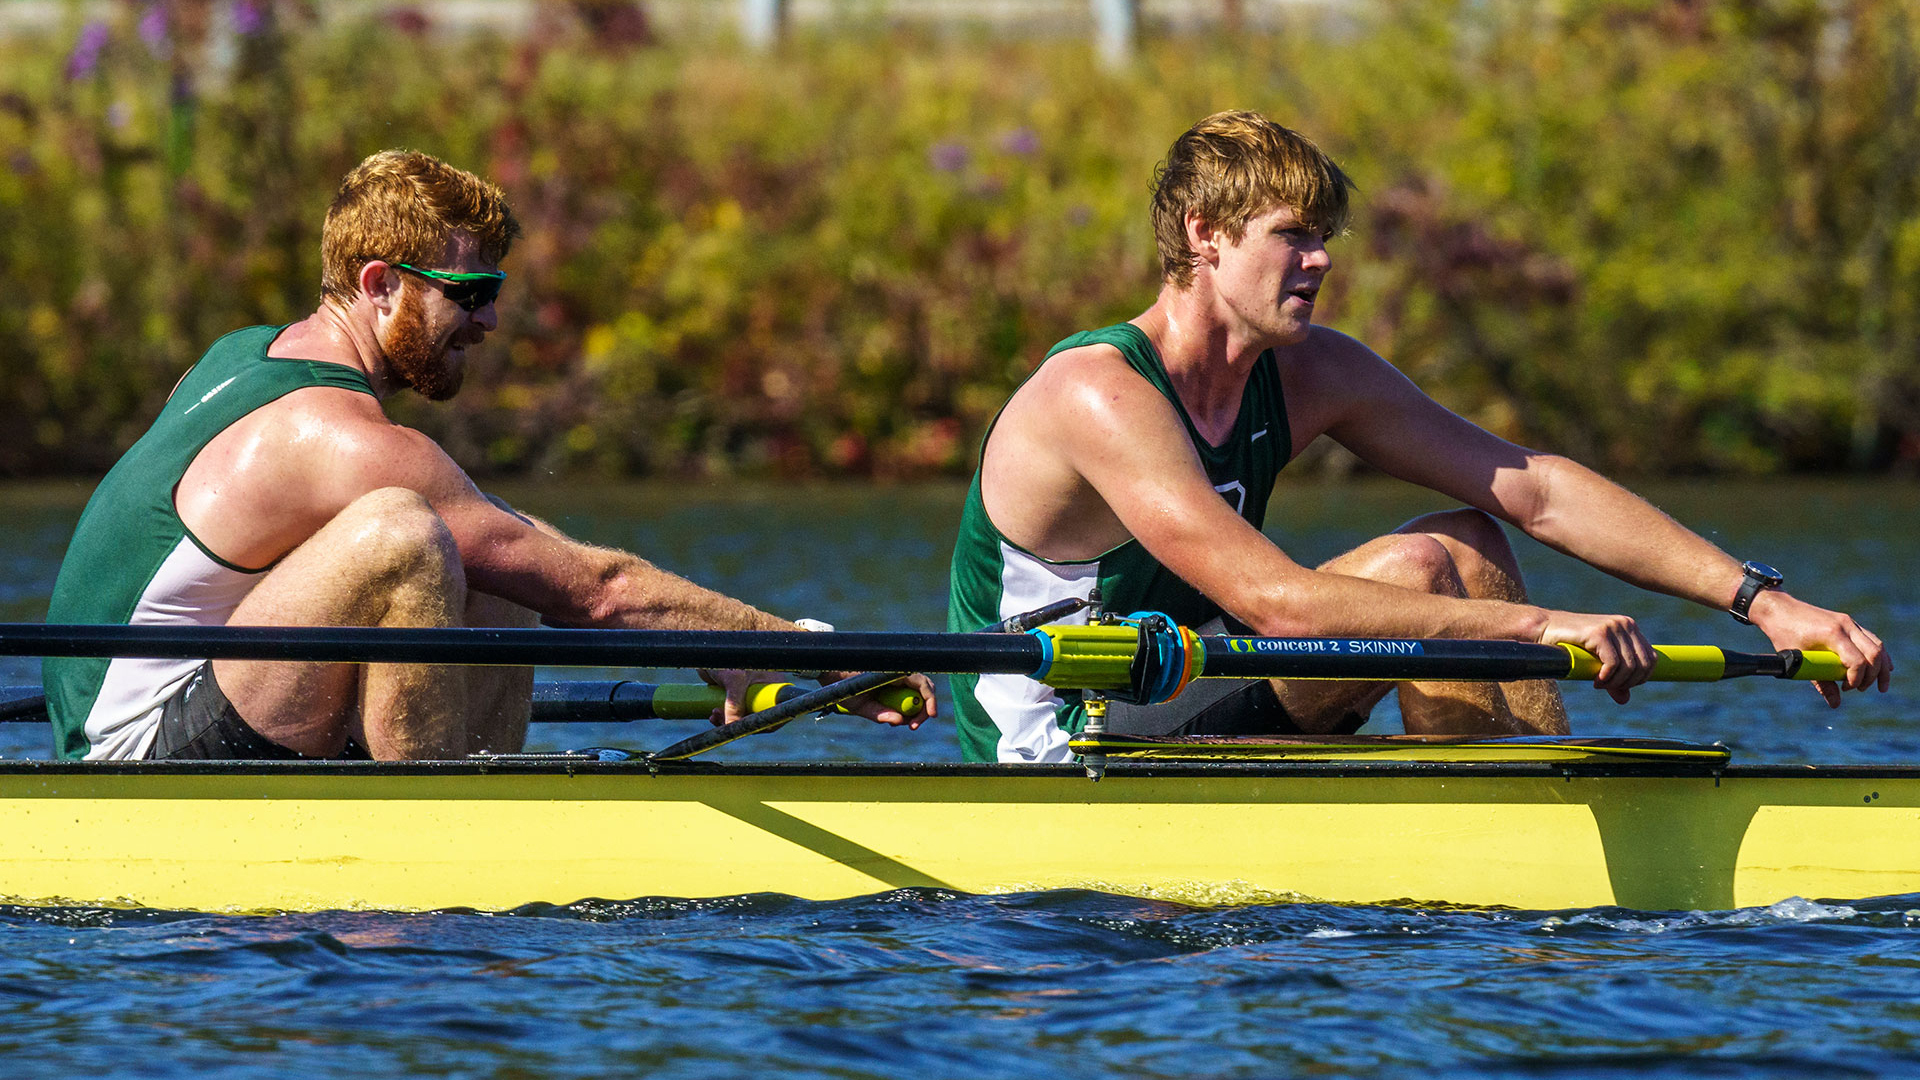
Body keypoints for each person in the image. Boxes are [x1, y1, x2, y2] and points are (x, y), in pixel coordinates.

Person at [946, 110, 1890, 764]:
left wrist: (1762, 602)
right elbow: (1279, 604)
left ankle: (1520, 796)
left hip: (1192, 684)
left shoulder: (1312, 371)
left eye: (1327, 238)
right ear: (1204, 234)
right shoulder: (1097, 392)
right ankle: (1496, 839)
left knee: (1473, 538)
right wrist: (1540, 626)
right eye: (1292, 236)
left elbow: (1537, 489)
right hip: (1066, 732)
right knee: (1414, 567)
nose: (1319, 260)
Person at [45, 149, 931, 762]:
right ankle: (439, 842)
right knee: (409, 535)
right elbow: (599, 590)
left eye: (495, 290)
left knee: (497, 557)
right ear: (380, 286)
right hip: (134, 747)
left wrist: (733, 639)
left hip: (212, 692)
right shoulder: (340, 440)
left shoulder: (247, 351)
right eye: (470, 292)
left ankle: (465, 799)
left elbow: (547, 562)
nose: (492, 320)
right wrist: (813, 650)